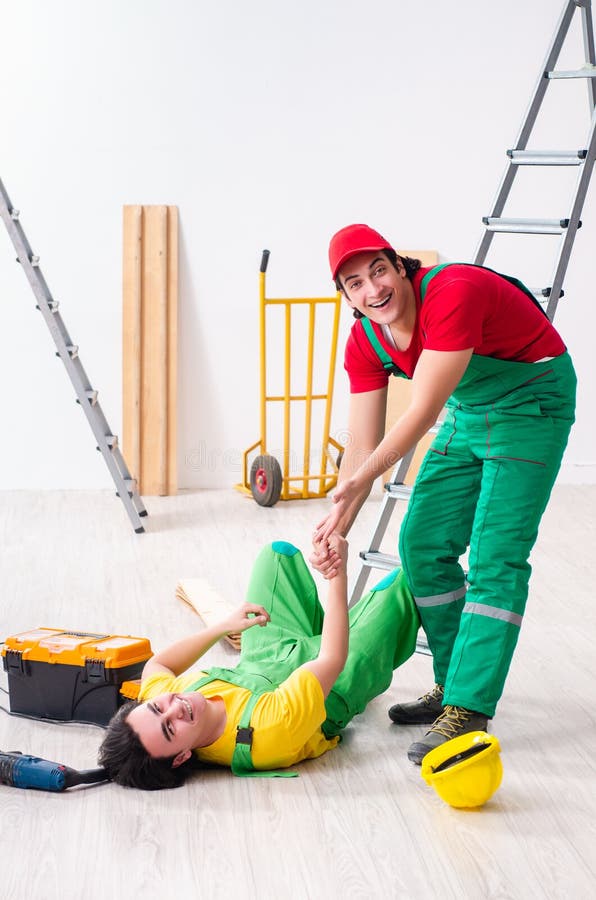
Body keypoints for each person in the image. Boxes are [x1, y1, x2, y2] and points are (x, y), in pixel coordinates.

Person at [312, 223, 576, 764]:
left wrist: (362, 479)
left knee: (496, 556)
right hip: (469, 409)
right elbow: (361, 447)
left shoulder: (453, 292)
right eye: (355, 284)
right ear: (346, 297)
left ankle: (468, 706)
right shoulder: (366, 341)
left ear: (400, 266)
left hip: (531, 405)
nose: (373, 290)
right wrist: (337, 524)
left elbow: (423, 411)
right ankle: (452, 683)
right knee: (422, 544)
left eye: (379, 271)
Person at [98, 535, 420, 789]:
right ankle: (353, 628)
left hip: (265, 654)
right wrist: (337, 571)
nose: (174, 709)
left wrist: (223, 626)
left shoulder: (157, 706)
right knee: (408, 578)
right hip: (334, 682)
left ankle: (325, 624)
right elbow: (332, 658)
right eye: (170, 728)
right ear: (181, 757)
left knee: (277, 555)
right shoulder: (267, 732)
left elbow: (158, 667)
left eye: (157, 707)